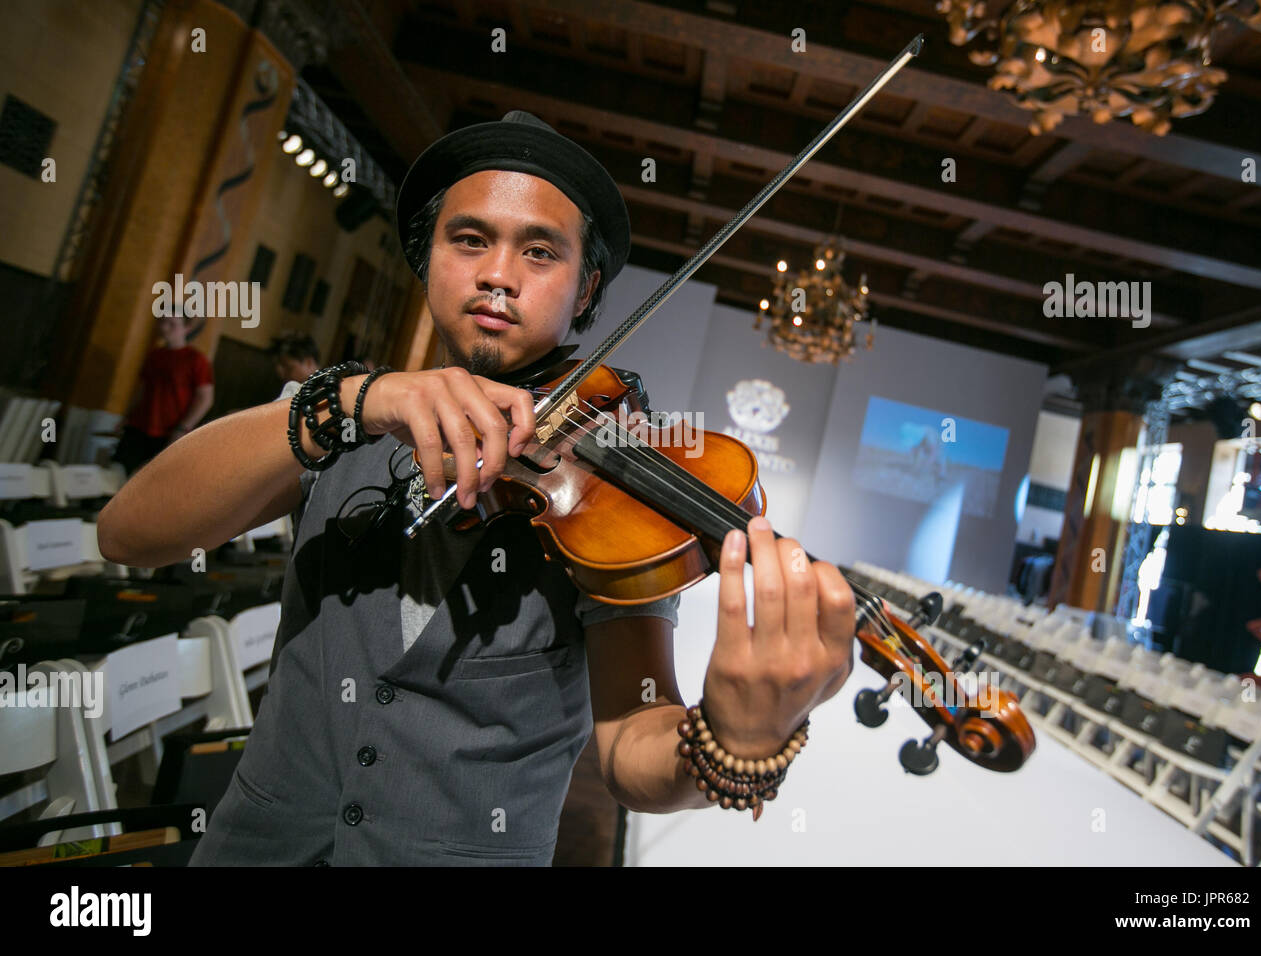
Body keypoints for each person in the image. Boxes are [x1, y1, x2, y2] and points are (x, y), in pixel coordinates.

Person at [97, 111, 856, 865]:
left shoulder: (616, 497)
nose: (499, 274)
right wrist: (354, 402)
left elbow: (631, 745)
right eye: (470, 240)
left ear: (585, 289)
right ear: (427, 257)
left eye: (540, 252)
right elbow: (131, 535)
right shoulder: (342, 415)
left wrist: (726, 744)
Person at [112, 313, 214, 475]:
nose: (165, 328)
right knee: (118, 473)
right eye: (163, 322)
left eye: (172, 324)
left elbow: (205, 398)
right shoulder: (155, 355)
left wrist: (183, 428)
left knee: (151, 479)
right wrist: (127, 416)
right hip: (139, 426)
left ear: (186, 328)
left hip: (168, 431)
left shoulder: (196, 360)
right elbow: (143, 390)